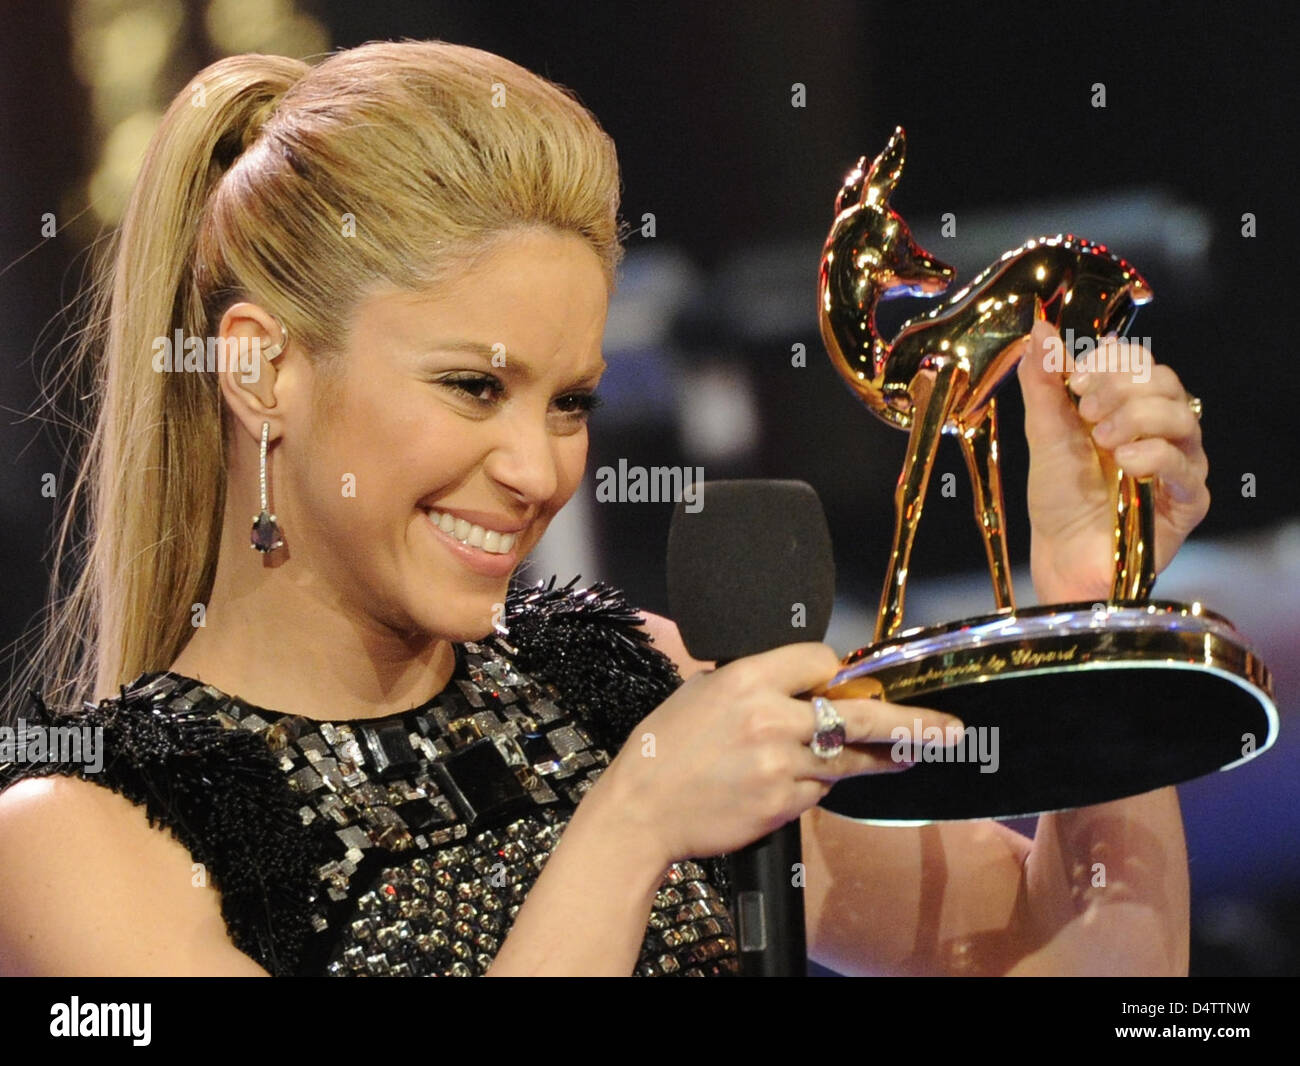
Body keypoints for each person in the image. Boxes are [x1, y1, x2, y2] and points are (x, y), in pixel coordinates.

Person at [0, 40, 1208, 977]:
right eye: (474, 386)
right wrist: (627, 829)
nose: (536, 468)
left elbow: (1083, 957)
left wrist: (1089, 604)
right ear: (264, 369)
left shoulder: (629, 687)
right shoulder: (79, 843)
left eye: (570, 400)